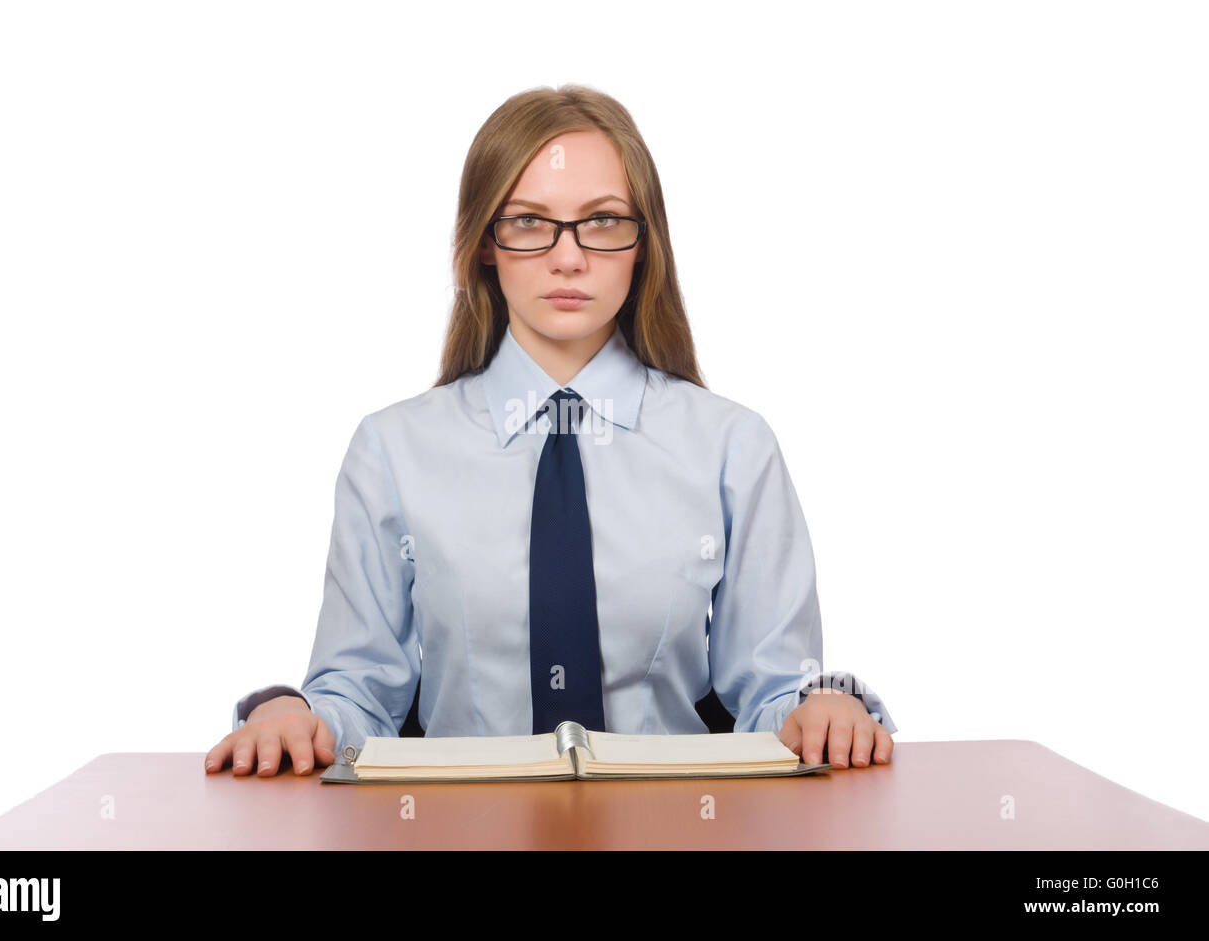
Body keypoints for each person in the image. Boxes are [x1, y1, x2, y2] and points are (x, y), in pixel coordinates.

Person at [205, 84, 898, 779]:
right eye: (531, 221)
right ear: (484, 242)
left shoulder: (732, 447)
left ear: (643, 244)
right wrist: (290, 712)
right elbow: (358, 695)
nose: (568, 259)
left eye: (601, 221)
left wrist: (821, 707)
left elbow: (774, 693)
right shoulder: (391, 451)